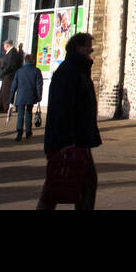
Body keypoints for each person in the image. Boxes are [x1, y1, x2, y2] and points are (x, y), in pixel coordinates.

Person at [38, 33, 102, 210]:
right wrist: (67, 141)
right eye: (88, 46)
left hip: (79, 138)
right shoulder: (69, 72)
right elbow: (61, 108)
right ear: (78, 47)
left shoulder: (79, 71)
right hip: (69, 140)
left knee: (83, 184)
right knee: (58, 186)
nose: (91, 50)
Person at [10, 53, 43, 141]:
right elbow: (39, 85)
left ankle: (19, 132)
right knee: (28, 113)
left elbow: (14, 86)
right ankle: (28, 132)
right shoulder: (36, 71)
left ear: (25, 61)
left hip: (20, 96)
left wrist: (11, 99)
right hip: (31, 96)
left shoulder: (19, 71)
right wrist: (39, 96)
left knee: (20, 115)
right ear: (33, 61)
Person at [0, 40, 22, 113]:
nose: (4, 47)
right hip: (6, 75)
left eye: (4, 45)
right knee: (3, 91)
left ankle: (5, 107)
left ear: (7, 45)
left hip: (9, 76)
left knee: (7, 92)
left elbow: (10, 65)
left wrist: (3, 73)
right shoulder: (10, 52)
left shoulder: (12, 52)